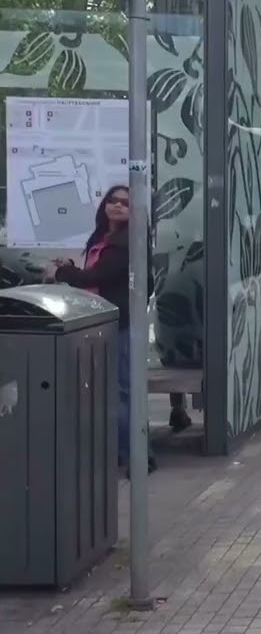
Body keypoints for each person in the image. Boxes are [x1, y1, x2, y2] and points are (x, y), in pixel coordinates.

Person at [49, 186, 157, 474]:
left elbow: (96, 277)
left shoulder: (126, 244)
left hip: (120, 323)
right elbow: (93, 277)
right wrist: (72, 268)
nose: (118, 206)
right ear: (104, 205)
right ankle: (126, 452)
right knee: (114, 391)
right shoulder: (102, 238)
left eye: (125, 203)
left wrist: (62, 273)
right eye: (113, 200)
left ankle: (138, 456)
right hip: (102, 320)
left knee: (122, 391)